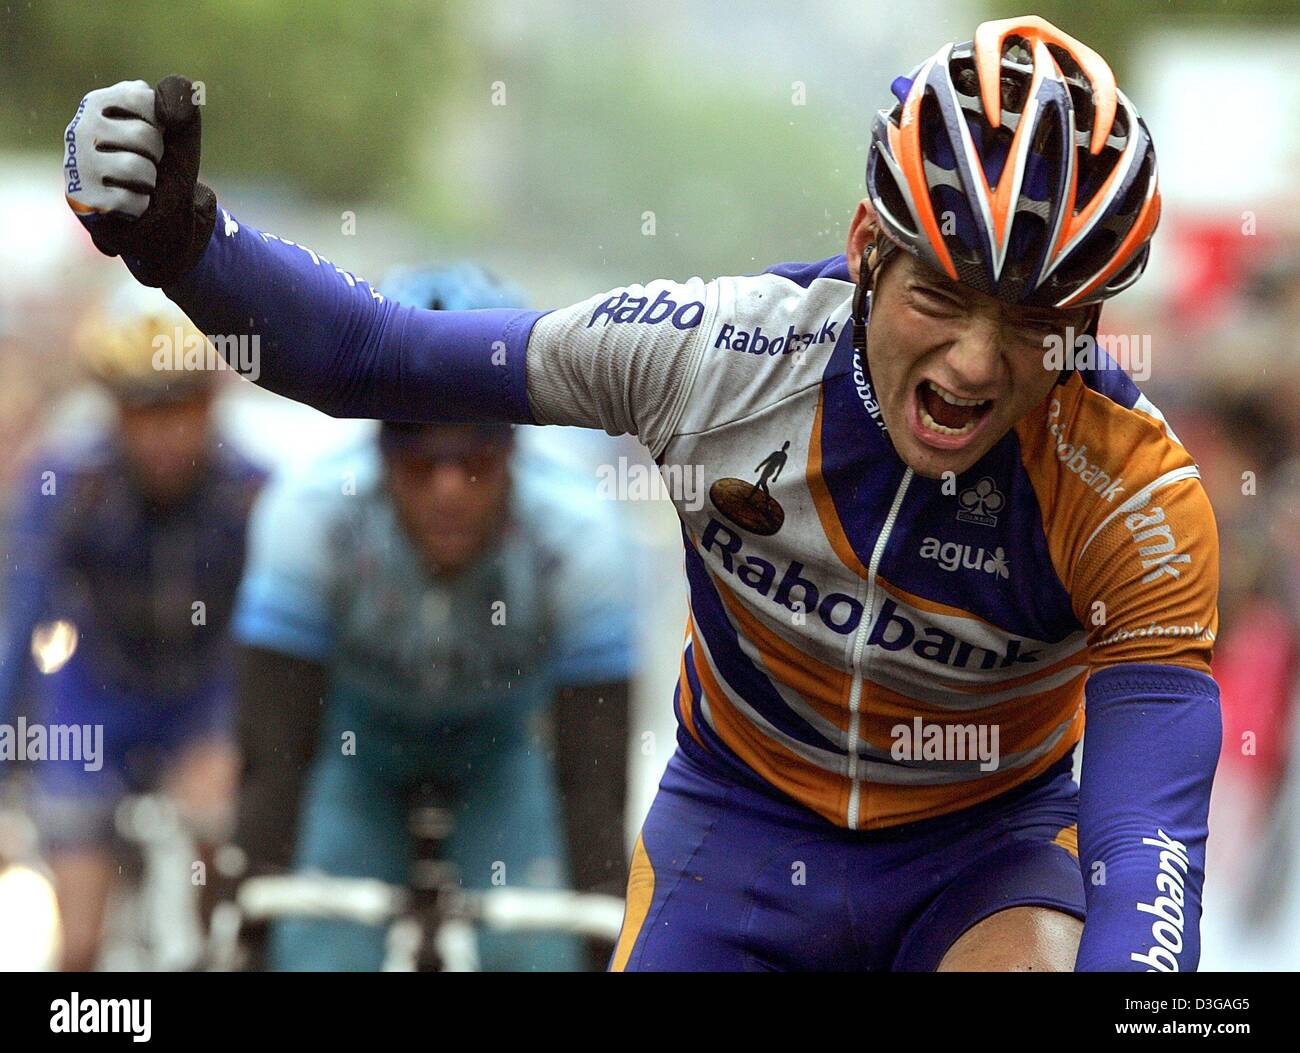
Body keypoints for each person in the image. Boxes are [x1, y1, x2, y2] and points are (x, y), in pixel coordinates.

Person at [61, 14, 1221, 971]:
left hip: (983, 857)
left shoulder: (1133, 496)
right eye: (940, 294)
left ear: (1089, 323)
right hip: (742, 831)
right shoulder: (710, 356)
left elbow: (1147, 844)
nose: (975, 361)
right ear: (869, 243)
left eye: (1032, 323)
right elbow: (377, 358)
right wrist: (181, 247)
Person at [227, 265, 636, 971]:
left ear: (514, 450)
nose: (448, 489)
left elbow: (593, 774)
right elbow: (275, 748)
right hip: (360, 756)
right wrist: (254, 893)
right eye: (418, 462)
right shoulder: (309, 517)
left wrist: (600, 910)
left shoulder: (581, 539)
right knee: (317, 954)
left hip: (500, 757)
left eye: (475, 459)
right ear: (379, 453)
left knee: (537, 951)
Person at [0, 290, 264, 970]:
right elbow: (20, 624)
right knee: (80, 939)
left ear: (213, 406)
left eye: (183, 408)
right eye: (142, 411)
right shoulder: (67, 483)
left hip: (206, 699)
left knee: (226, 898)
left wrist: (249, 747)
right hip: (96, 700)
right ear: (113, 411)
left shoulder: (253, 492)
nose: (164, 433)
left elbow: (273, 640)